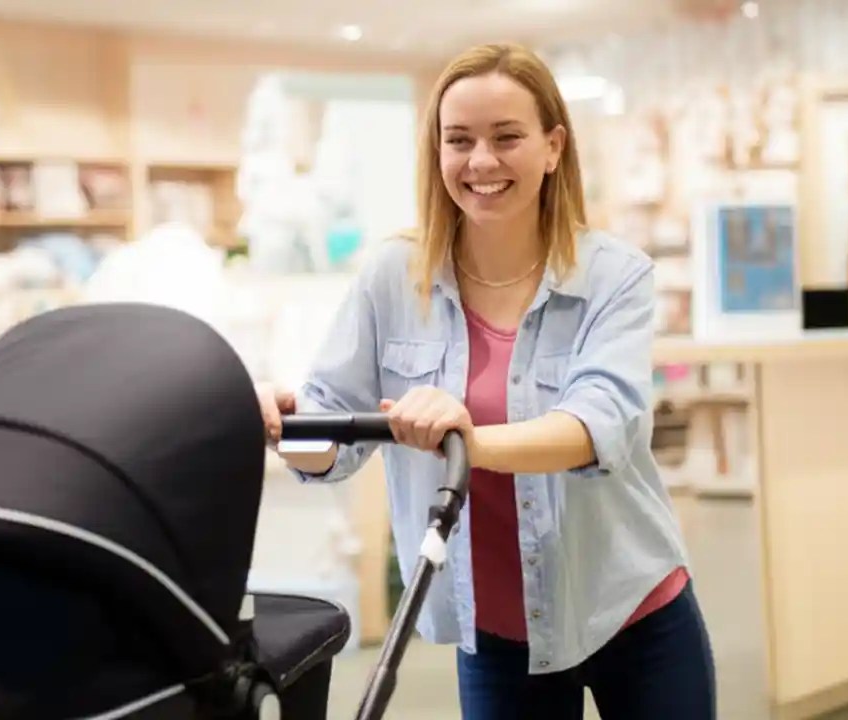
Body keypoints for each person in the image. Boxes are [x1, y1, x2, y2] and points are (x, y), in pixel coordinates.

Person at [255, 42, 716, 719]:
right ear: (436, 151)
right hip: (498, 633)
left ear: (554, 145)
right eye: (459, 140)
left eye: (506, 138)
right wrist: (286, 423)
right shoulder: (392, 278)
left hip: (630, 610)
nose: (481, 162)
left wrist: (465, 439)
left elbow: (598, 424)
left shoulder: (615, 276)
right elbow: (332, 443)